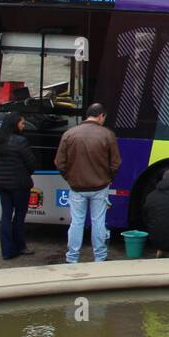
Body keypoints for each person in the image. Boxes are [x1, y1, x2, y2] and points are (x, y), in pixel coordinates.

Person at [55, 103, 120, 264]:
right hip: (100, 187)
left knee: (76, 222)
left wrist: (70, 178)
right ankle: (100, 256)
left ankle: (72, 257)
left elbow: (59, 163)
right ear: (101, 116)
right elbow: (116, 163)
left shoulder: (69, 134)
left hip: (77, 187)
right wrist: (108, 178)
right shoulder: (107, 134)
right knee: (98, 221)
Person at [0, 112, 36, 260]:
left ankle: (7, 250)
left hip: (3, 184)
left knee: (6, 216)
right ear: (15, 124)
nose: (23, 126)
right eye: (22, 123)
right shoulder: (20, 141)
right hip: (20, 184)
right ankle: (20, 246)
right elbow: (30, 163)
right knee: (19, 216)